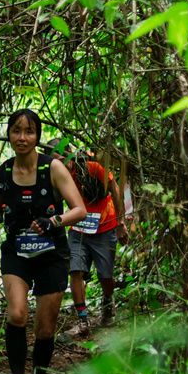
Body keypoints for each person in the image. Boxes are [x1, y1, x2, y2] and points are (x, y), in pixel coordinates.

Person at [0, 110, 87, 374]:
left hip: (52, 255)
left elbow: (79, 210)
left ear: (37, 135)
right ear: (9, 134)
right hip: (17, 252)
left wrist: (54, 222)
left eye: (28, 131)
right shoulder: (2, 171)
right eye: (16, 131)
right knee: (16, 314)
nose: (22, 137)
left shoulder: (52, 168)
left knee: (45, 327)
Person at [47, 142, 129, 333]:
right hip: (78, 228)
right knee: (76, 271)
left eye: (61, 160)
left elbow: (115, 190)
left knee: (105, 275)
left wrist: (120, 223)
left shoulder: (92, 166)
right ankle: (83, 319)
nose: (60, 165)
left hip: (105, 226)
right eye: (55, 162)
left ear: (69, 154)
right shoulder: (56, 176)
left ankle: (108, 303)